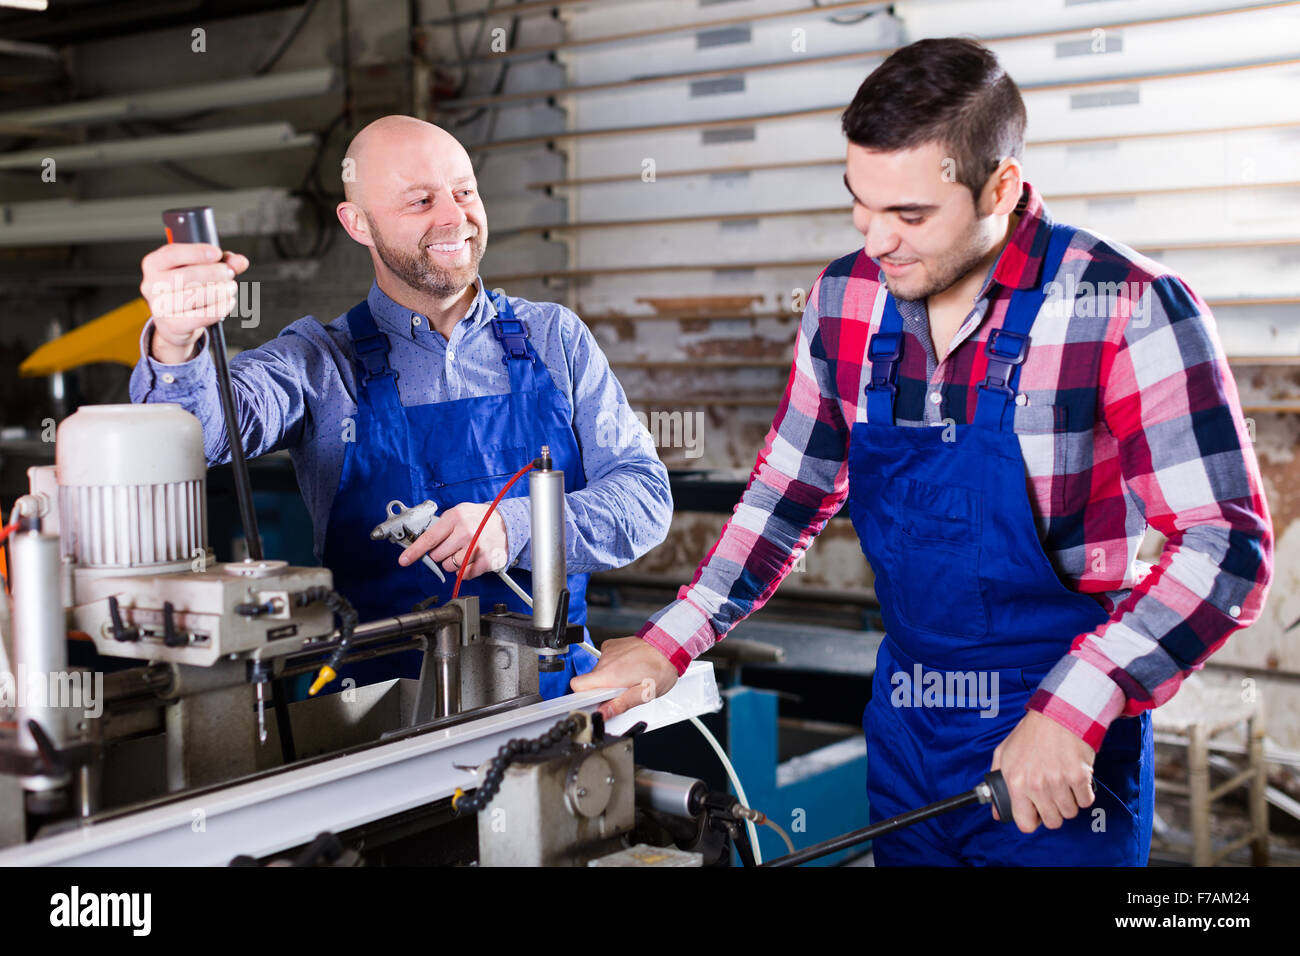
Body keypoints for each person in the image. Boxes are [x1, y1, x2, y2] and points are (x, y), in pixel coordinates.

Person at [573, 38, 1273, 865]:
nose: (876, 241)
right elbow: (788, 493)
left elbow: (1225, 547)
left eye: (909, 216)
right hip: (908, 721)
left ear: (1002, 187)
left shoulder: (1125, 307)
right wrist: (670, 641)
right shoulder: (845, 300)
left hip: (1055, 733)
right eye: (860, 205)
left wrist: (1077, 706)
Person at [131, 115, 672, 700]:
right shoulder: (319, 362)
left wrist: (516, 527)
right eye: (419, 200)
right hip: (378, 718)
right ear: (357, 223)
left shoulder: (555, 338)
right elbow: (195, 438)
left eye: (464, 191)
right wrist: (177, 343)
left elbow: (644, 497)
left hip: (548, 699)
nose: (453, 216)